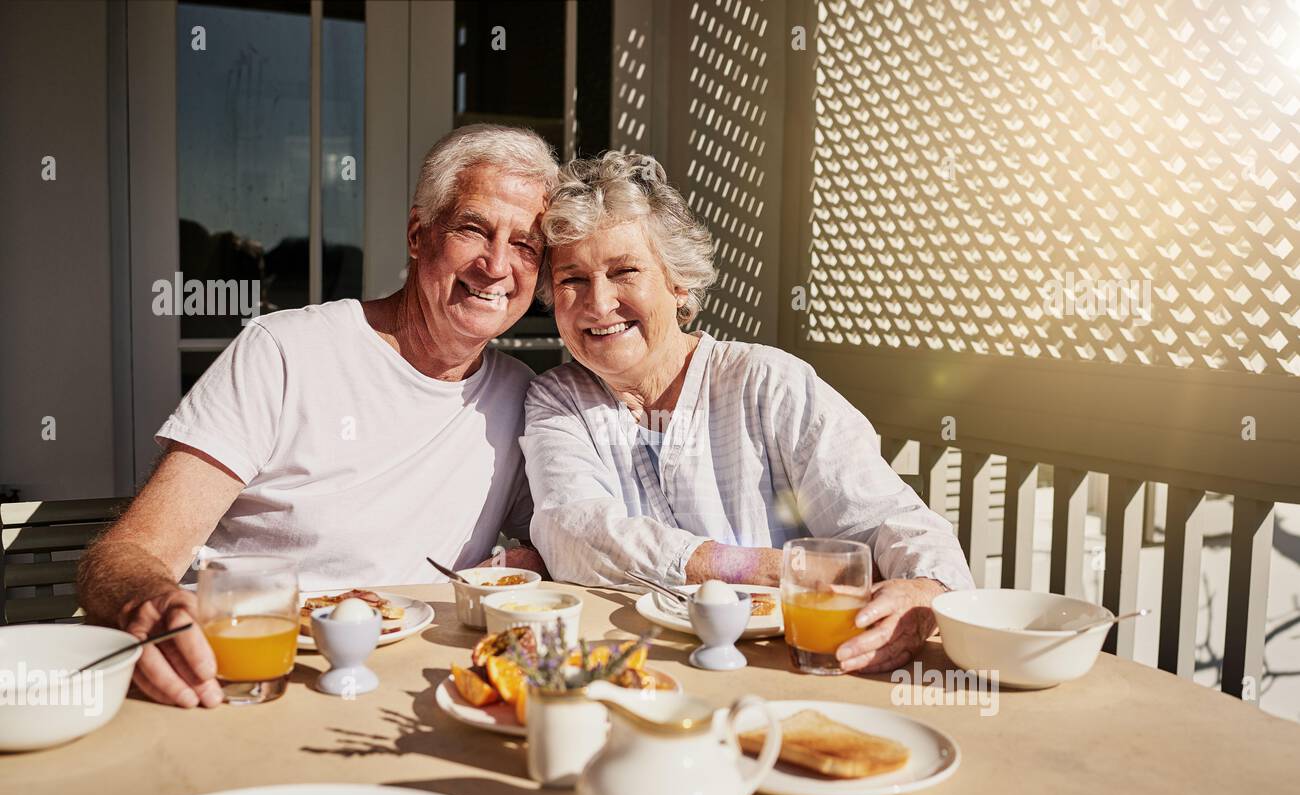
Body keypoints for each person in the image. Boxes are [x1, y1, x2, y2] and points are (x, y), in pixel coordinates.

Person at [79, 124, 558, 707]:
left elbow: (568, 539)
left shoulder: (521, 397)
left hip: (413, 688)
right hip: (245, 677)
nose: (496, 264)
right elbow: (129, 554)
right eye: (473, 229)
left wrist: (529, 558)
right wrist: (146, 603)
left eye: (526, 245)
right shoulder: (285, 352)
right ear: (417, 234)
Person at [519, 151, 974, 674]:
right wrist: (758, 567)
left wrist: (924, 592)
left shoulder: (768, 382)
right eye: (572, 279)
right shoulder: (557, 400)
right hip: (632, 673)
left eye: (624, 271)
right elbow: (572, 531)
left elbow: (889, 520)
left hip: (789, 669)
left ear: (678, 282)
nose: (598, 303)